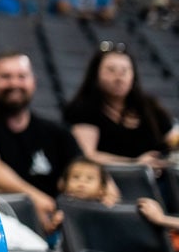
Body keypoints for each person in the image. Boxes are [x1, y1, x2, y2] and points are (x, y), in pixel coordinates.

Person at [0, 51, 82, 236]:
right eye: (5, 77)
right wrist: (36, 200)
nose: (14, 83)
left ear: (33, 82)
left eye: (21, 76)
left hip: (54, 228)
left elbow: (87, 170)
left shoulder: (56, 132)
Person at [62, 42, 179, 173]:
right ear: (95, 74)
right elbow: (88, 156)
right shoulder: (82, 109)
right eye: (111, 70)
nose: (119, 77)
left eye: (125, 70)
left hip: (157, 181)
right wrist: (135, 164)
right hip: (106, 181)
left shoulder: (148, 105)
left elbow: (172, 138)